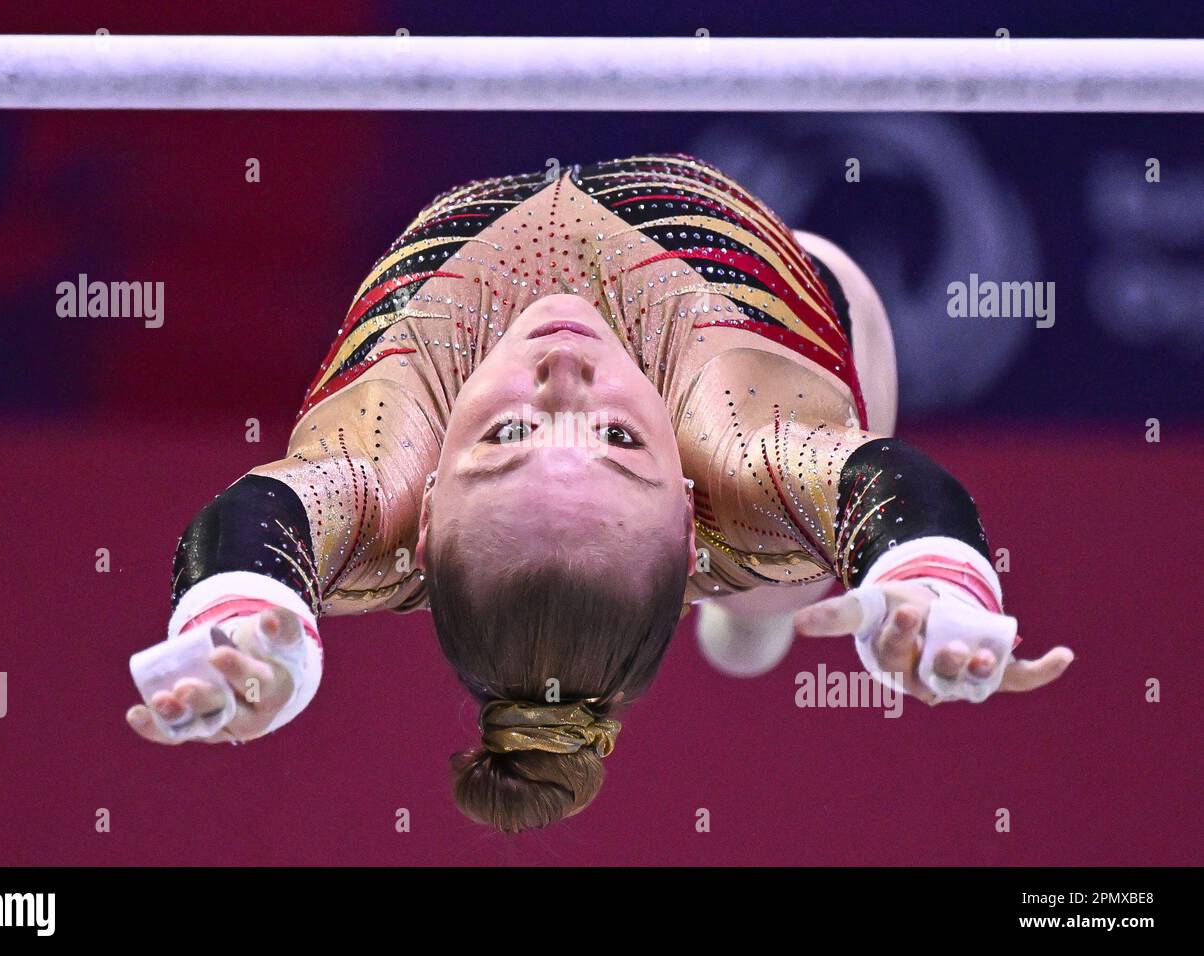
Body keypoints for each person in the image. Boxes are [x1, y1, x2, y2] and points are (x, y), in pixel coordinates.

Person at [125, 153, 1073, 832]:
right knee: (797, 556)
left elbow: (263, 523)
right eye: (618, 439)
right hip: (822, 315)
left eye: (506, 437)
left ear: (419, 528)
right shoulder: (739, 455)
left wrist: (244, 620)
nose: (562, 384)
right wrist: (937, 580)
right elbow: (886, 489)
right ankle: (756, 613)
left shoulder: (382, 474)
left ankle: (751, 624)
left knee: (775, 580)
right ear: (691, 516)